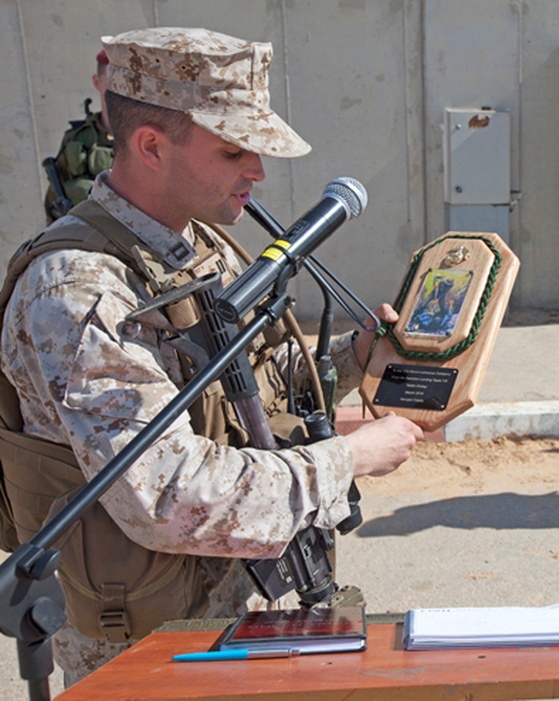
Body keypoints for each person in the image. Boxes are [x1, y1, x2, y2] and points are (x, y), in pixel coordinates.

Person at [0, 27, 424, 685]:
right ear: (149, 146)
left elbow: (249, 382)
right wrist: (349, 457)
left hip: (222, 607)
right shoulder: (79, 290)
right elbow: (168, 494)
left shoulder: (196, 241)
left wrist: (356, 354)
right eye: (233, 151)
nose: (256, 171)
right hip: (139, 653)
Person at [43, 49, 115, 223]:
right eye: (111, 81)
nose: (118, 90)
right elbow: (54, 198)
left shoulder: (151, 137)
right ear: (97, 82)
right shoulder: (79, 138)